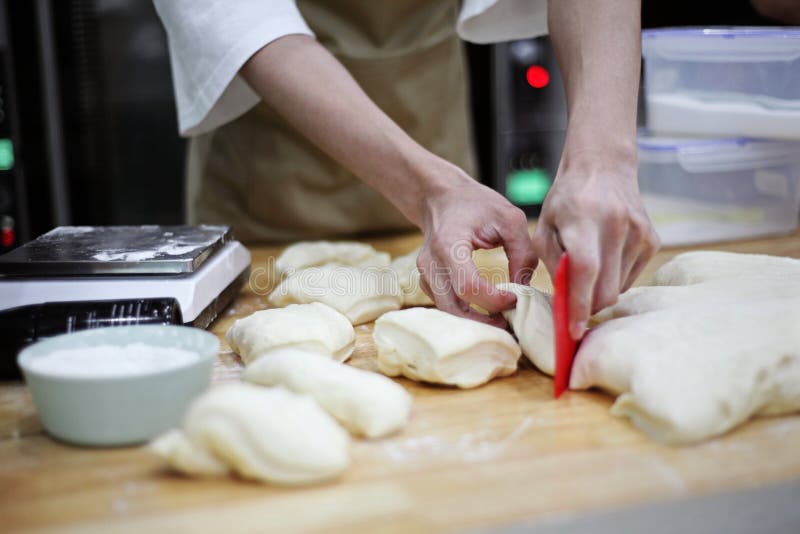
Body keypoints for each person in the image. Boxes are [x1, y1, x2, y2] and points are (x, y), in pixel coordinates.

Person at [154, 0, 659, 339]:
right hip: (272, 158)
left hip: (428, 108)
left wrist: (602, 158)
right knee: (267, 292)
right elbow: (237, 20)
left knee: (457, 281)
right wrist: (432, 190)